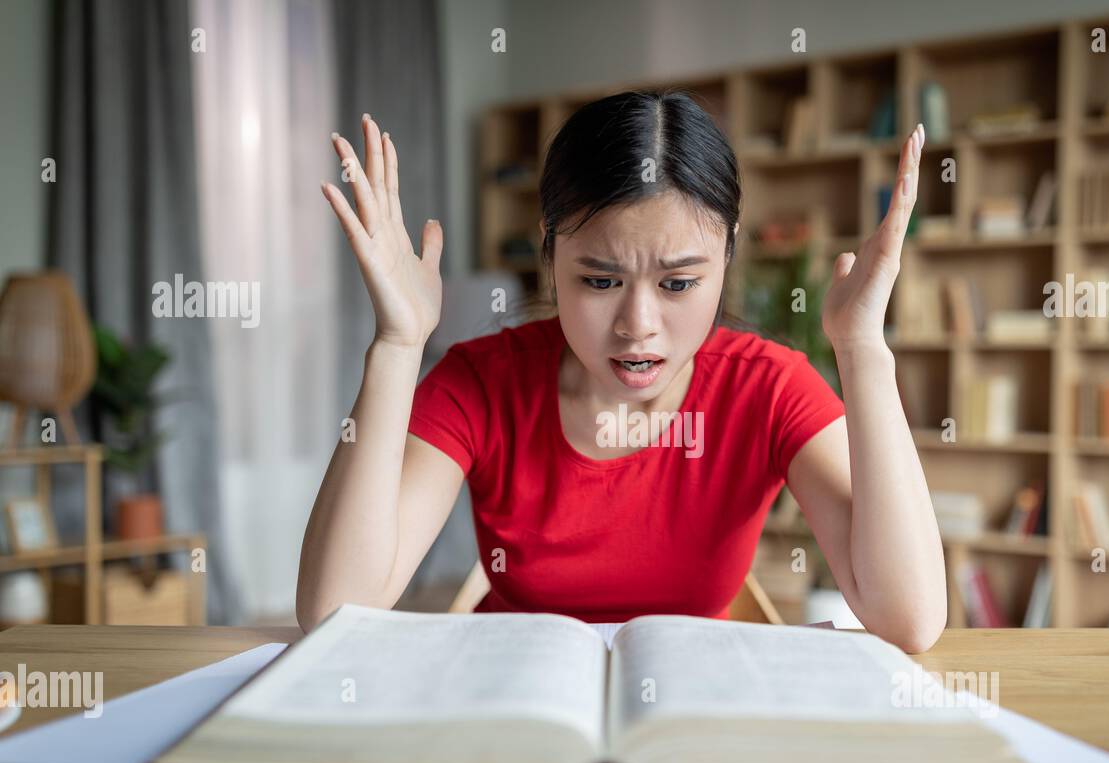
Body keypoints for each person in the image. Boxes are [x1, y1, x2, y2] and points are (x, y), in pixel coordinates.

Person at [298, 90, 945, 652]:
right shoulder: (481, 383)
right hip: (511, 720)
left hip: (688, 728)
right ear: (549, 250)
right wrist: (397, 342)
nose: (638, 323)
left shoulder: (767, 388)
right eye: (600, 279)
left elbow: (908, 618)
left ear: (727, 253)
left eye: (679, 282)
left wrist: (863, 349)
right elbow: (337, 611)